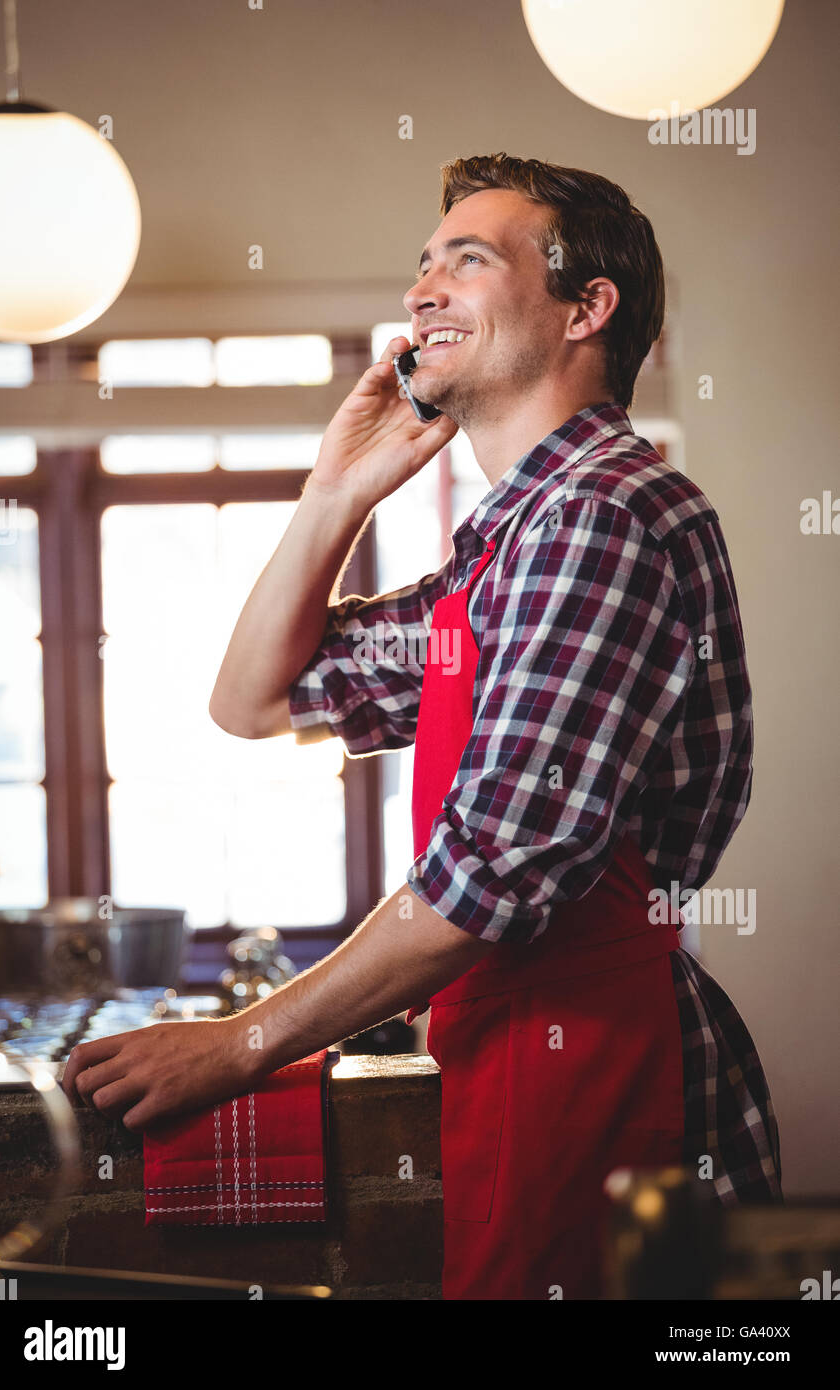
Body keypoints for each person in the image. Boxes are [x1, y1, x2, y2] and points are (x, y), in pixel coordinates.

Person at [62, 152, 781, 1300]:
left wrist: (238, 1042)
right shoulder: (509, 548)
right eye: (421, 264)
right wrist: (333, 495)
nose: (421, 290)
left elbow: (485, 876)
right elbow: (251, 698)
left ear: (585, 307)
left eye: (469, 259)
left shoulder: (596, 520)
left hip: (606, 1065)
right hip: (521, 1054)